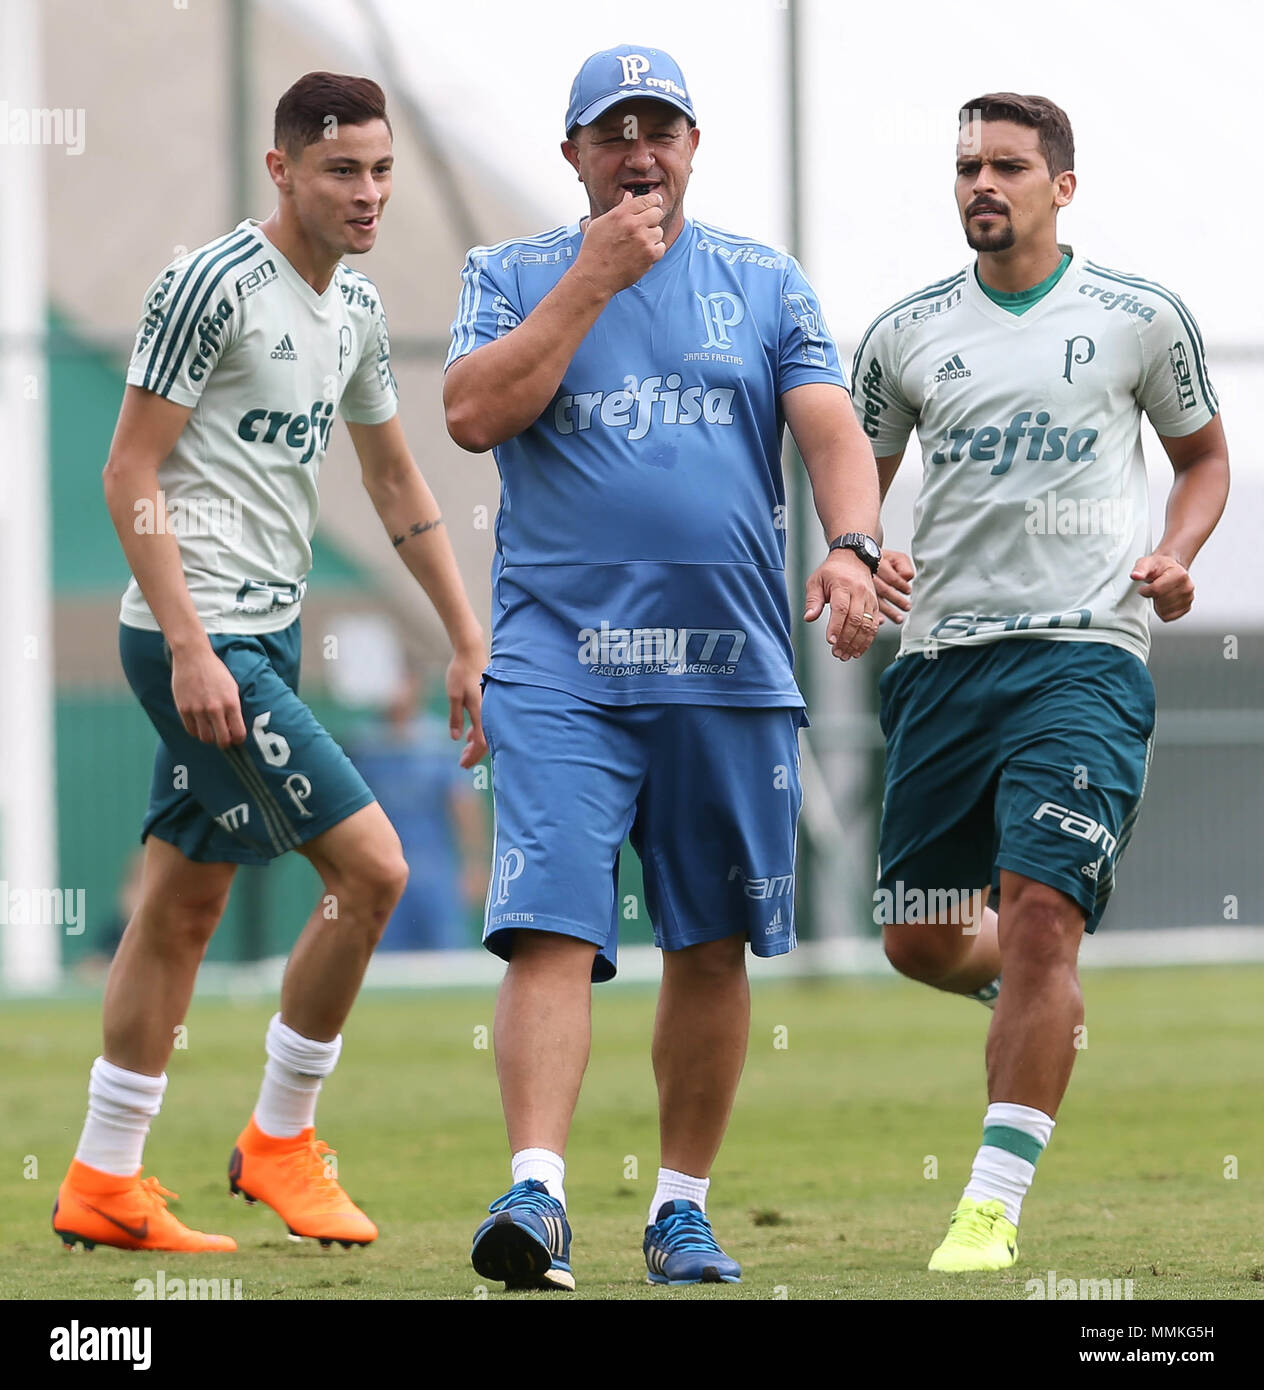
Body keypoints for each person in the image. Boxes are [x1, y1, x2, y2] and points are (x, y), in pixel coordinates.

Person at [444, 44, 881, 1290]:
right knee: (547, 929)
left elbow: (829, 427)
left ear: (693, 145)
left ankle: (680, 1209)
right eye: (612, 131)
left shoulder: (762, 278)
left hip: (728, 663)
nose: (640, 151)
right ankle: (535, 1197)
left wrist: (851, 547)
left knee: (710, 944)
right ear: (573, 153)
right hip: (556, 664)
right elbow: (474, 414)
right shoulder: (510, 272)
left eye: (662, 128)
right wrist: (588, 284)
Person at [52, 71, 487, 1254]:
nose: (368, 192)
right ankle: (281, 1141)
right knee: (378, 873)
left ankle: (100, 1175)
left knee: (184, 907)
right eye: (343, 168)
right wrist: (191, 646)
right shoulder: (209, 284)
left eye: (383, 169)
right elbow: (126, 472)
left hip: (266, 637)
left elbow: (393, 480)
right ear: (282, 169)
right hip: (201, 641)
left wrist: (463, 631)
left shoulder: (348, 308)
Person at [853, 92, 1229, 1272]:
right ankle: (1036, 998)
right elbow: (853, 487)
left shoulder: (1136, 317)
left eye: (1006, 165)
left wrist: (1178, 554)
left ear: (1060, 185)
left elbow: (1204, 458)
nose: (982, 183)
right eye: (966, 164)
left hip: (1084, 655)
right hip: (941, 665)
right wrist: (863, 559)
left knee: (1037, 915)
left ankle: (988, 1206)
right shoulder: (902, 334)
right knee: (916, 937)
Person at [347, 671, 489, 950]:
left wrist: (474, 864)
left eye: (402, 682)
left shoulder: (438, 743)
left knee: (446, 955)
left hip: (435, 871)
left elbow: (463, 805)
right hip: (382, 871)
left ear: (416, 687)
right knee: (383, 959)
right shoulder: (364, 745)